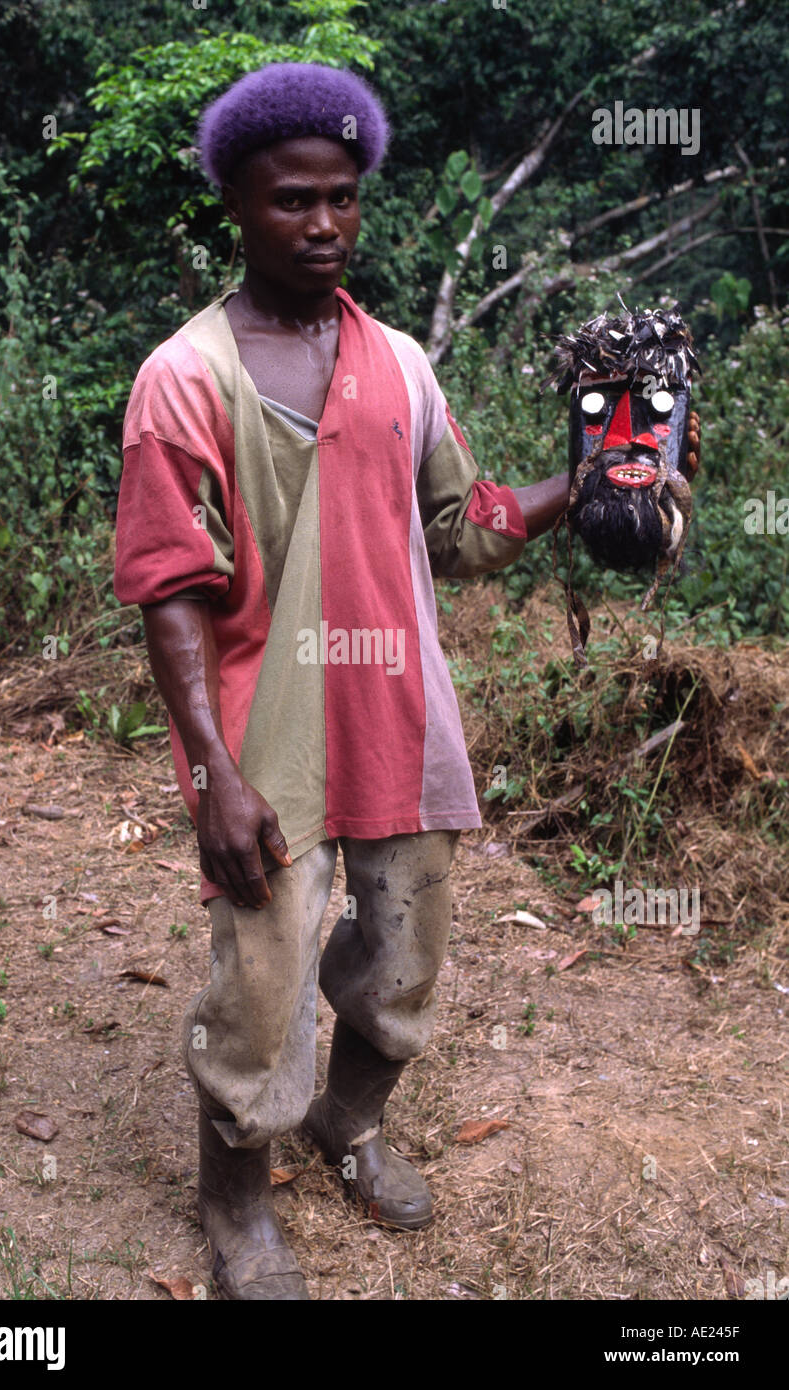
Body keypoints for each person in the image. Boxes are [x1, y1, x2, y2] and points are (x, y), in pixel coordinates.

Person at [113, 61, 570, 1300]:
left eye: (340, 200)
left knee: (403, 962)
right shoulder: (183, 379)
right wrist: (211, 770)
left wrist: (589, 482)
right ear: (239, 206)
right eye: (290, 201)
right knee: (258, 995)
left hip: (398, 720)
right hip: (267, 741)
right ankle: (236, 1204)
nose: (320, 225)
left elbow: (456, 524)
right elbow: (168, 587)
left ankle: (348, 1121)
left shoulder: (401, 366)